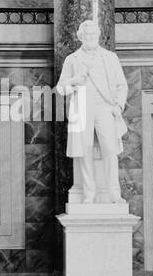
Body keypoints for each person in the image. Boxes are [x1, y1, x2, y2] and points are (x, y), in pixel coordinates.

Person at [55, 19, 129, 204]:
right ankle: (89, 193)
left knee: (110, 151)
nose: (90, 38)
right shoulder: (72, 59)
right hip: (81, 109)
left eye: (93, 35)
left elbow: (122, 85)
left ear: (98, 35)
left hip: (105, 108)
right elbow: (60, 88)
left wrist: (118, 105)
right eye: (87, 35)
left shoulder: (110, 58)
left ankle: (114, 193)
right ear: (81, 37)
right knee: (84, 152)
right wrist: (73, 81)